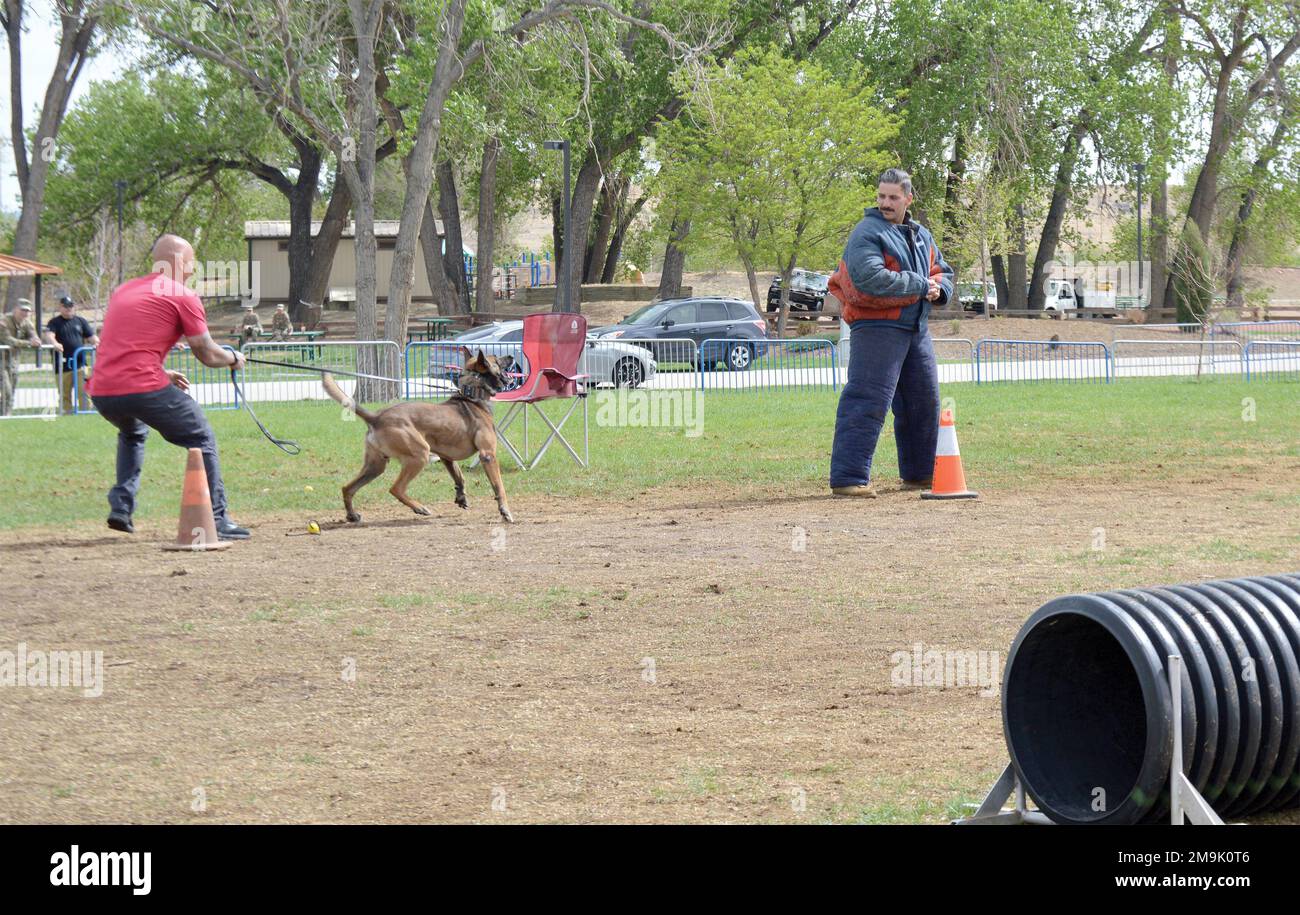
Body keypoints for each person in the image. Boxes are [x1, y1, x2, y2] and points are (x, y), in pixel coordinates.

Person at [89, 234, 250, 540]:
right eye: (191, 263)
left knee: (133, 433)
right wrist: (233, 357)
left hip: (104, 391)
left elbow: (123, 346)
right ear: (178, 262)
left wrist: (161, 373)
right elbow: (207, 353)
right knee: (201, 437)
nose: (192, 270)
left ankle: (121, 506)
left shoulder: (123, 291)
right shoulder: (181, 294)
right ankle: (216, 519)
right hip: (142, 386)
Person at [828, 167, 953, 498]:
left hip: (916, 326)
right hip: (877, 326)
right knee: (867, 399)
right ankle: (848, 478)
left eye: (893, 197)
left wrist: (939, 290)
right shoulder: (866, 232)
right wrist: (920, 284)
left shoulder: (922, 235)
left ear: (908, 199)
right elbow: (870, 278)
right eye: (881, 196)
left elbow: (942, 272)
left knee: (923, 403)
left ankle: (920, 474)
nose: (885, 202)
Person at [46, 294, 99, 413]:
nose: (68, 308)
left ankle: (85, 414)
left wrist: (96, 343)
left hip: (80, 365)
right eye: (65, 306)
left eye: (70, 306)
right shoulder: (54, 322)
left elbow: (92, 337)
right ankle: (67, 416)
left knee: (84, 392)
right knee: (64, 394)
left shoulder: (81, 321)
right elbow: (50, 335)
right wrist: (55, 343)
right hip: (62, 365)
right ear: (60, 307)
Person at [1, 299, 45, 416]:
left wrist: (36, 341)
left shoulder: (27, 323)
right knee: (7, 391)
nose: (25, 313)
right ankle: (5, 416)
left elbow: (34, 337)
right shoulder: (4, 321)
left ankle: (6, 417)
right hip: (1, 361)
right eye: (22, 310)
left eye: (27, 311)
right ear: (15, 309)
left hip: (13, 361)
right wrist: (29, 343)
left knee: (11, 391)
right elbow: (8, 340)